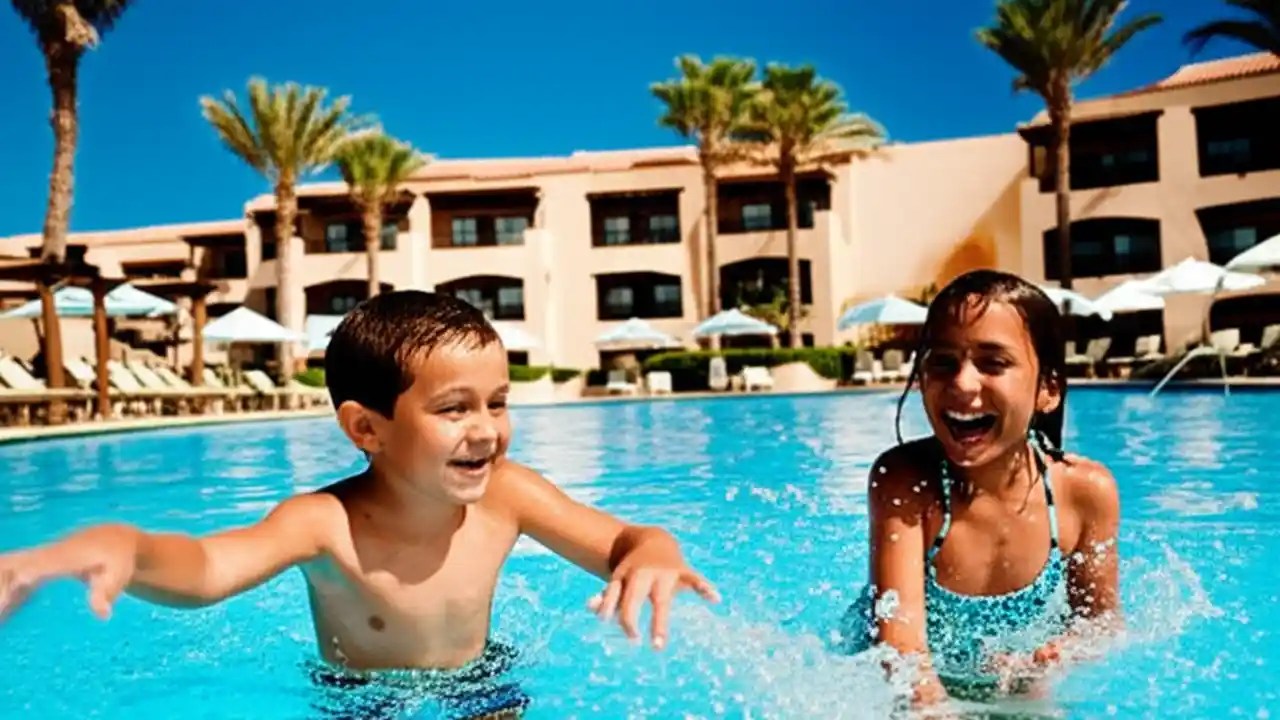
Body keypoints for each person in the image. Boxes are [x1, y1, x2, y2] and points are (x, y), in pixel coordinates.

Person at [0, 290, 719, 719]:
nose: (486, 430)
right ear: (366, 429)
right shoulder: (323, 524)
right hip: (362, 701)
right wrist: (130, 547)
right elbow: (212, 567)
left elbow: (624, 539)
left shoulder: (509, 495)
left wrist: (652, 552)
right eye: (453, 408)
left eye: (498, 403)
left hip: (482, 683)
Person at [839, 270, 1121, 709]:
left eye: (993, 363)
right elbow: (900, 649)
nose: (961, 383)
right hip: (897, 676)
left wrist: (1059, 657)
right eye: (942, 361)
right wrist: (937, 710)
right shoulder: (907, 483)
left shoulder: (1084, 494)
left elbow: (1102, 624)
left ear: (1047, 388)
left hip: (1012, 682)